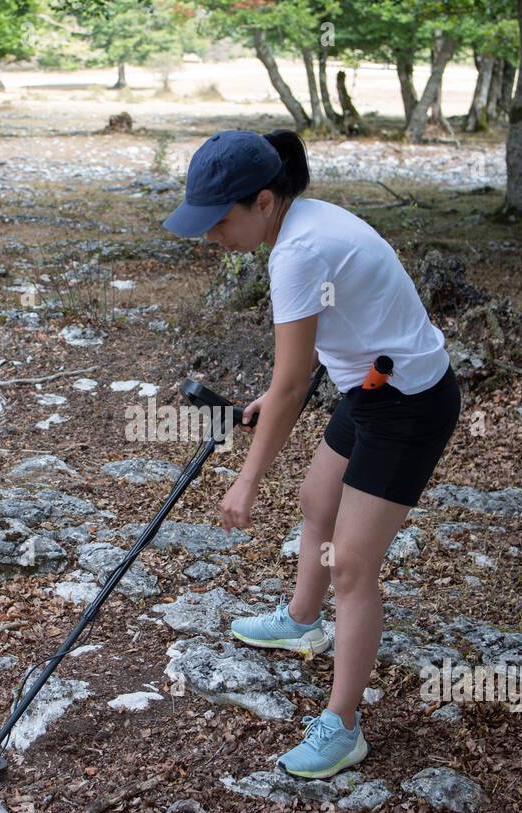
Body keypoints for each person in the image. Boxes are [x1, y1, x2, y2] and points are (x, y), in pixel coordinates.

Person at [163, 129, 460, 779]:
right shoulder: (303, 226)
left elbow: (294, 384)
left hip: (407, 402)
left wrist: (245, 482)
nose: (212, 237)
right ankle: (302, 620)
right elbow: (309, 362)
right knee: (316, 499)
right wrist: (272, 400)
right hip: (373, 385)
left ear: (263, 202)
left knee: (353, 568)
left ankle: (344, 724)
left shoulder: (297, 251)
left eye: (219, 222)